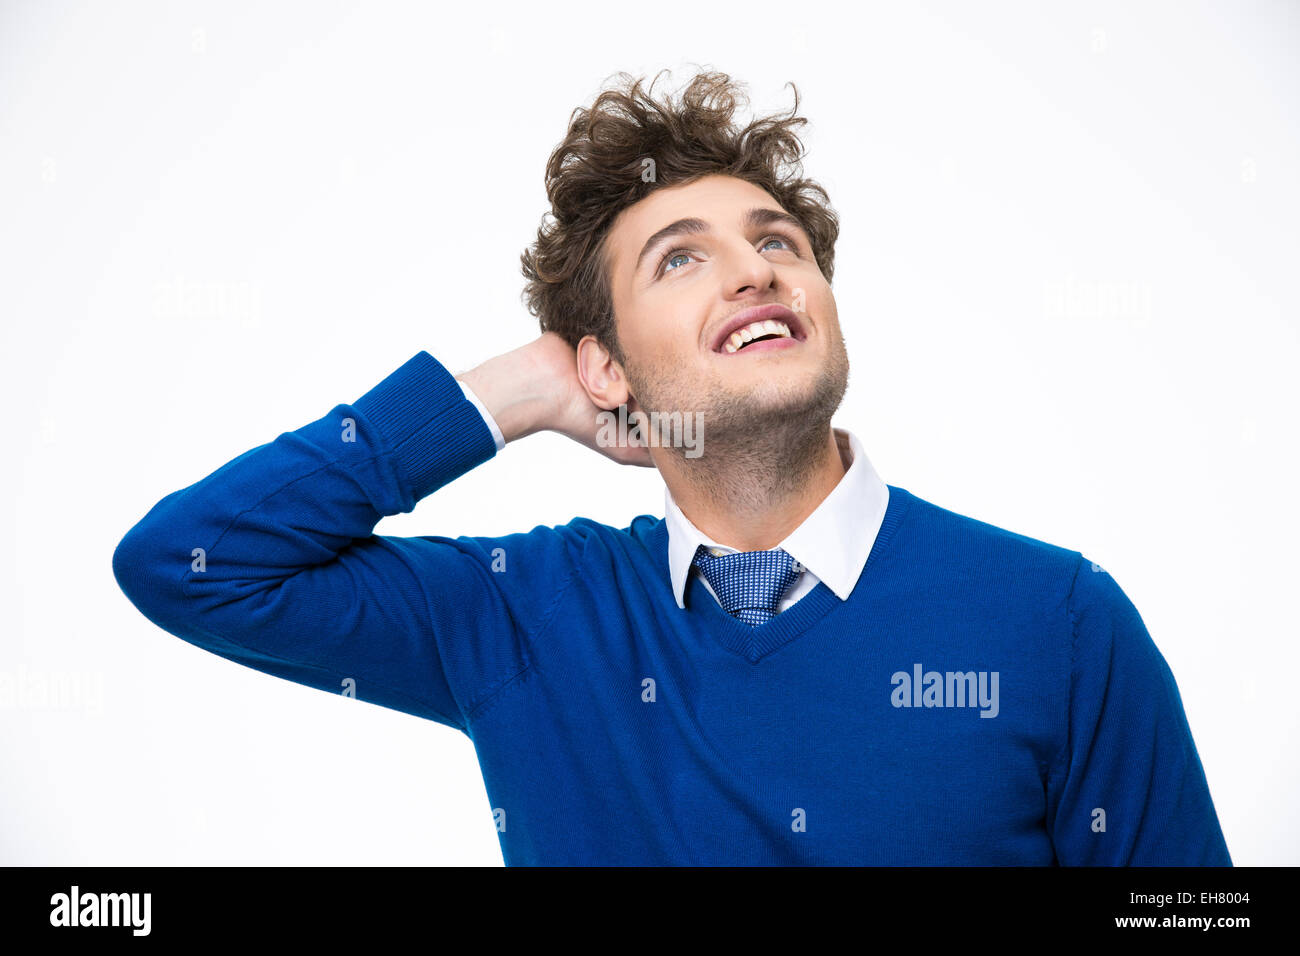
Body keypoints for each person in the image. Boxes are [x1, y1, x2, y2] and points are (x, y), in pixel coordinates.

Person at [112, 69, 1231, 866]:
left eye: (776, 241)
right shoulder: (524, 618)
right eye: (680, 258)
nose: (753, 268)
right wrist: (506, 396)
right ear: (603, 370)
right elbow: (188, 564)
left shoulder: (1057, 618)